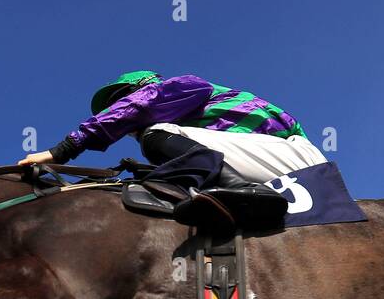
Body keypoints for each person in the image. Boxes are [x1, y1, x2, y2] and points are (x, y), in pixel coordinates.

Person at [19, 70, 326, 224]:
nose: (121, 120)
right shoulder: (196, 123)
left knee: (156, 133)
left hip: (290, 159)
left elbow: (140, 107)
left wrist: (61, 151)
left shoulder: (181, 86)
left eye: (119, 106)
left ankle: (243, 192)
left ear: (140, 91)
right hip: (280, 162)